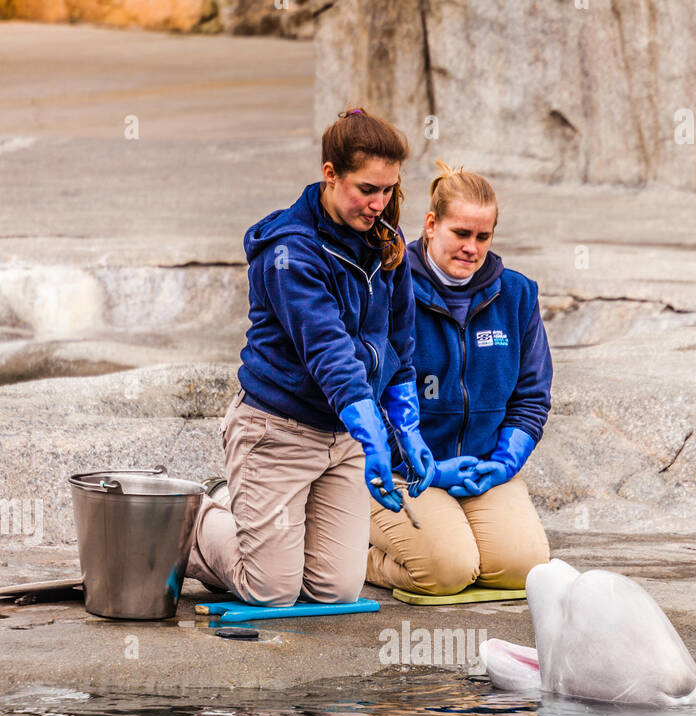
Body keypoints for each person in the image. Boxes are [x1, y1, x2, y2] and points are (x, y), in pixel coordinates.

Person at [185, 108, 434, 606]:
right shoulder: (290, 252)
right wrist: (372, 431)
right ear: (330, 175)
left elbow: (400, 343)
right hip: (279, 430)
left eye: (388, 190)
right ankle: (195, 520)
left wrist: (406, 425)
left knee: (334, 590)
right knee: (270, 591)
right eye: (367, 189)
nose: (379, 203)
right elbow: (330, 353)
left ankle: (259, 524)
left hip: (342, 438)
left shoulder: (386, 242)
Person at [366, 161, 553, 596]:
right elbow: (368, 397)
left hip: (481, 466)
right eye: (461, 234)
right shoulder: (389, 287)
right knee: (447, 571)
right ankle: (342, 552)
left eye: (483, 236)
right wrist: (425, 467)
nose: (472, 247)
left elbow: (531, 398)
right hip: (401, 470)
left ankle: (454, 523)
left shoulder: (518, 295)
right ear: (431, 225)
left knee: (521, 567)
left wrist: (503, 464)